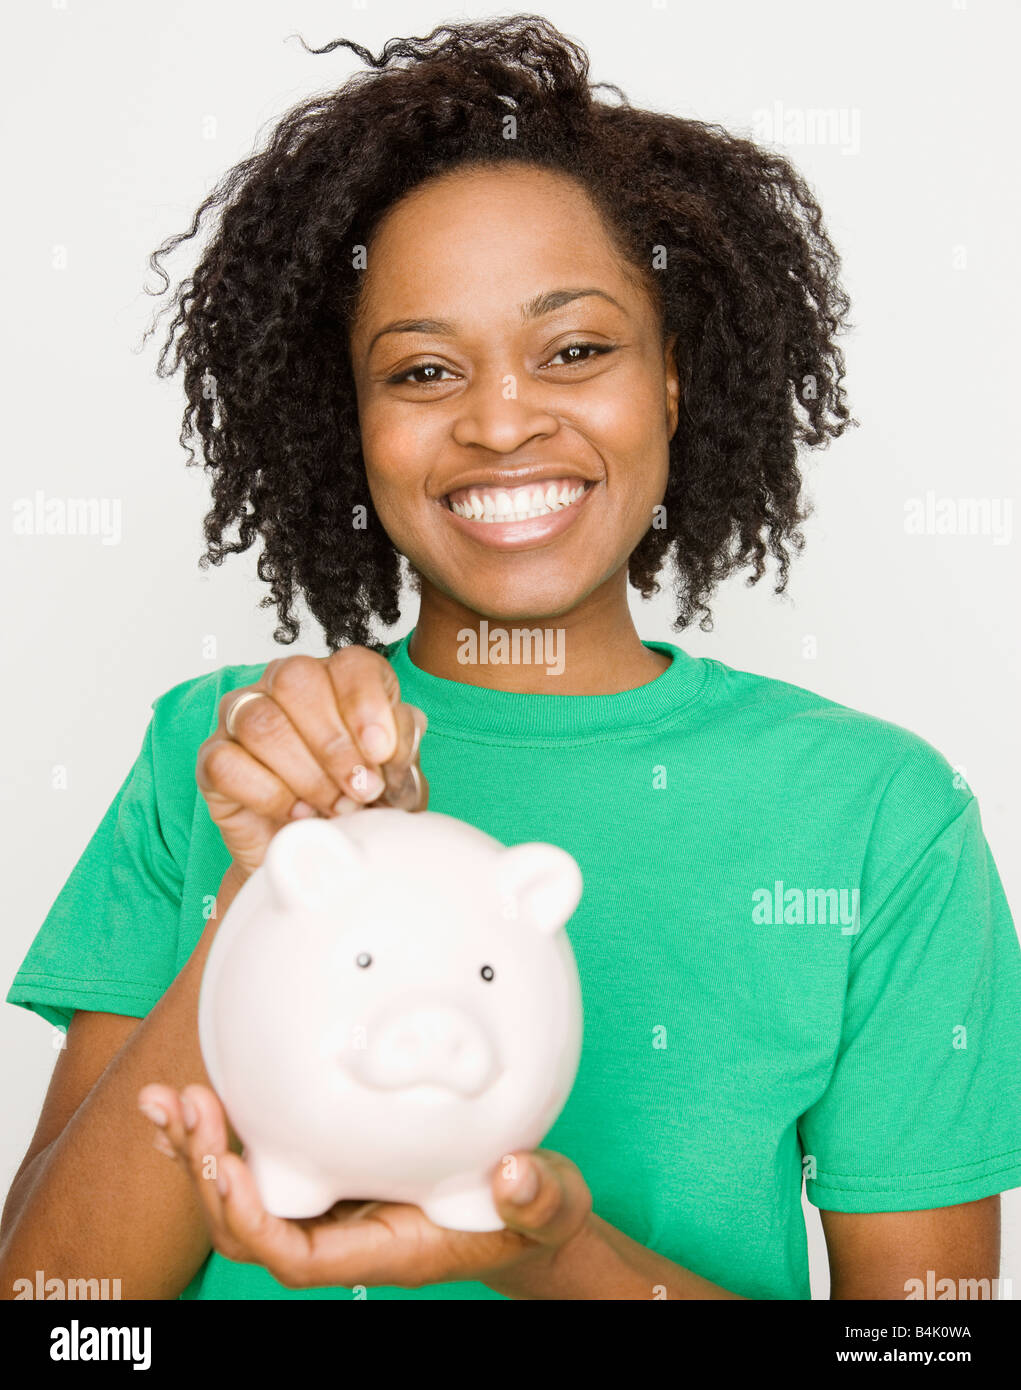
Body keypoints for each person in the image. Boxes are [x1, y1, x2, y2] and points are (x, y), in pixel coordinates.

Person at [2, 16, 1018, 1301]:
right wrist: (284, 885)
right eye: (422, 368)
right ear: (350, 422)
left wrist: (550, 1254)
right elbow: (56, 1325)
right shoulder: (221, 754)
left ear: (675, 379)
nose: (497, 420)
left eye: (576, 349)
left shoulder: (879, 816)